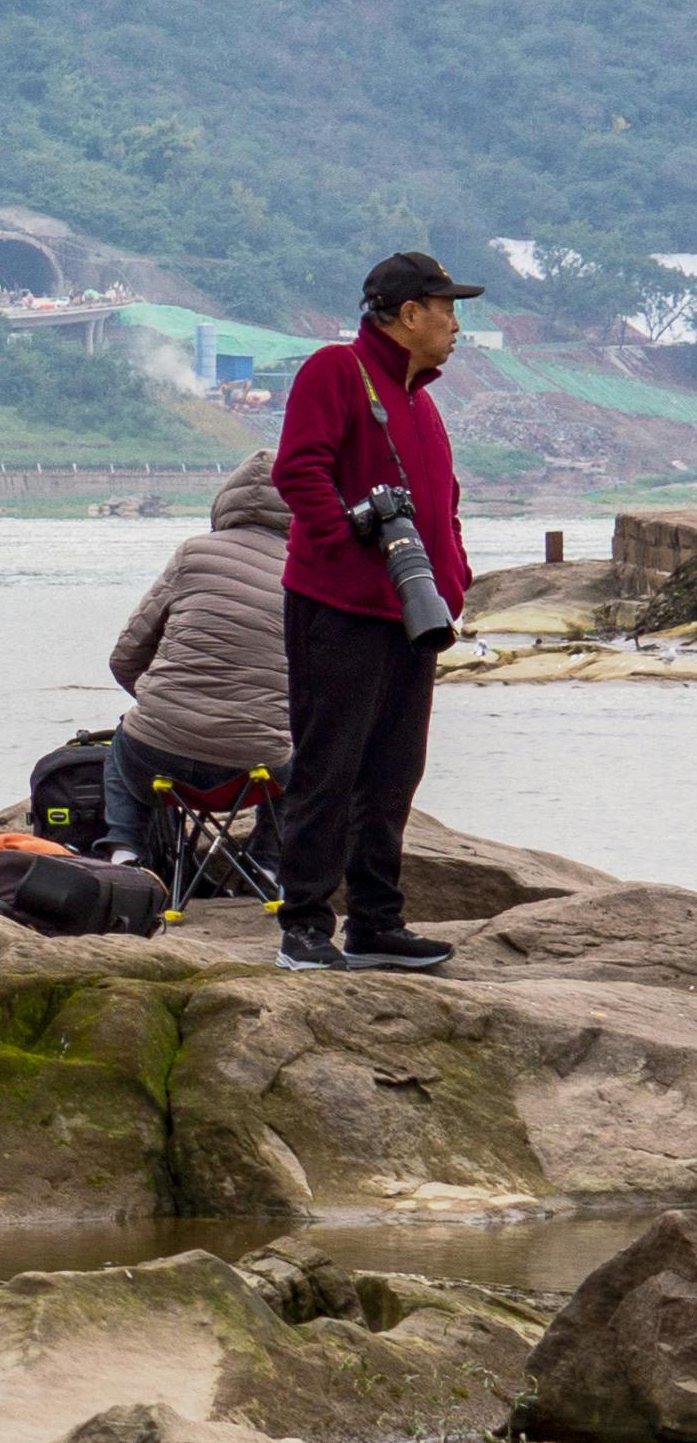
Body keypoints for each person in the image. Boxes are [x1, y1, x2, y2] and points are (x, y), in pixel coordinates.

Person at [270, 251, 483, 974]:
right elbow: (297, 469)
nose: (457, 323)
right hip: (338, 606)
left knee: (396, 770)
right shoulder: (335, 370)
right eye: (447, 308)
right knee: (329, 765)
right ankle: (303, 924)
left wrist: (451, 578)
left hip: (410, 617)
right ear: (409, 312)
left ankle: (375, 922)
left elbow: (443, 507)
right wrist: (341, 548)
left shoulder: (421, 400)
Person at [104, 454, 293, 888]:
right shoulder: (306, 571)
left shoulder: (194, 553)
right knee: (308, 763)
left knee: (121, 744)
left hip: (155, 756)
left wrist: (163, 705)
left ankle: (124, 852)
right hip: (254, 773)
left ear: (224, 501)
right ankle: (265, 861)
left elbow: (125, 655)